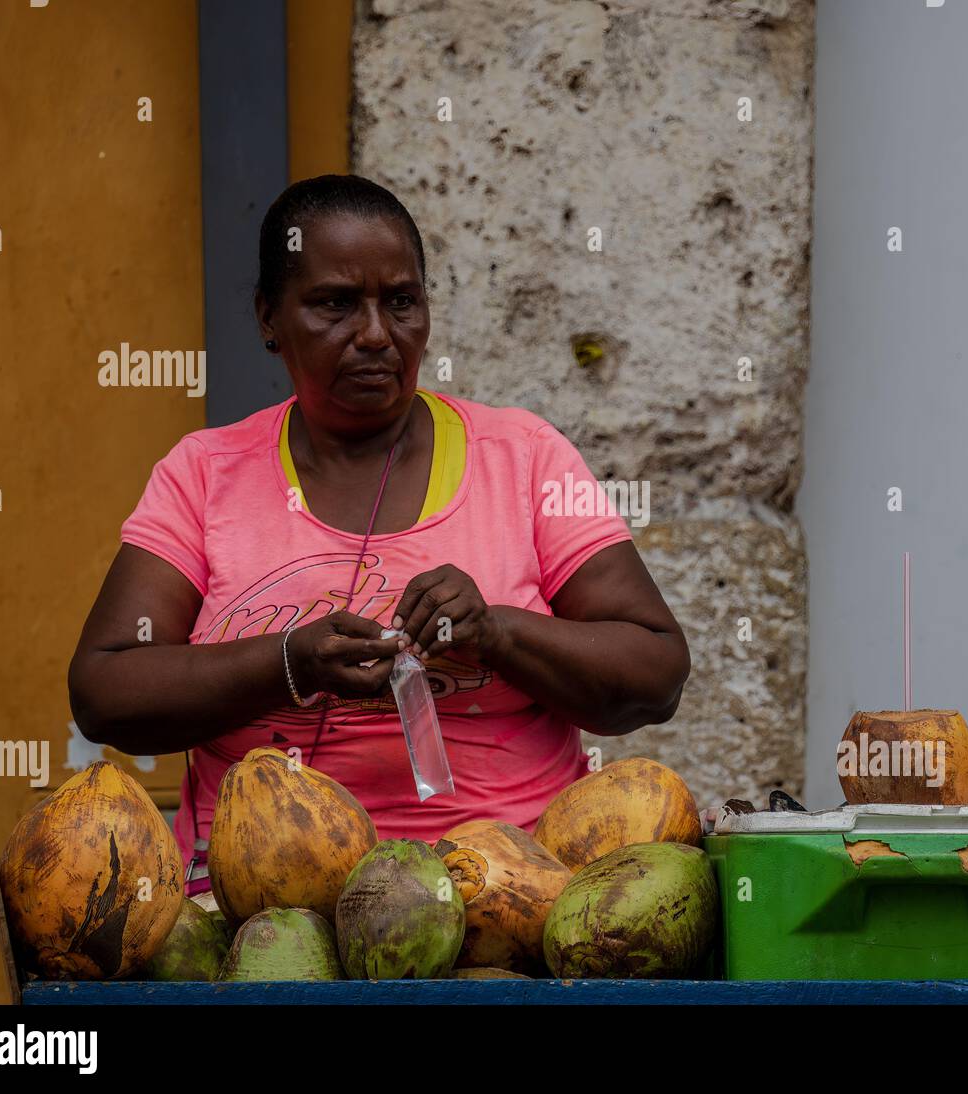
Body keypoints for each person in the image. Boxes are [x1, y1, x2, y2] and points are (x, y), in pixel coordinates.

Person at [67, 174, 691, 896]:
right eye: (335, 304)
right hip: (265, 898)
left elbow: (655, 672)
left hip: (507, 890)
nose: (374, 334)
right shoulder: (205, 476)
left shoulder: (522, 458)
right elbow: (106, 689)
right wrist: (290, 662)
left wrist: (499, 633)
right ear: (270, 317)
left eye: (401, 301)